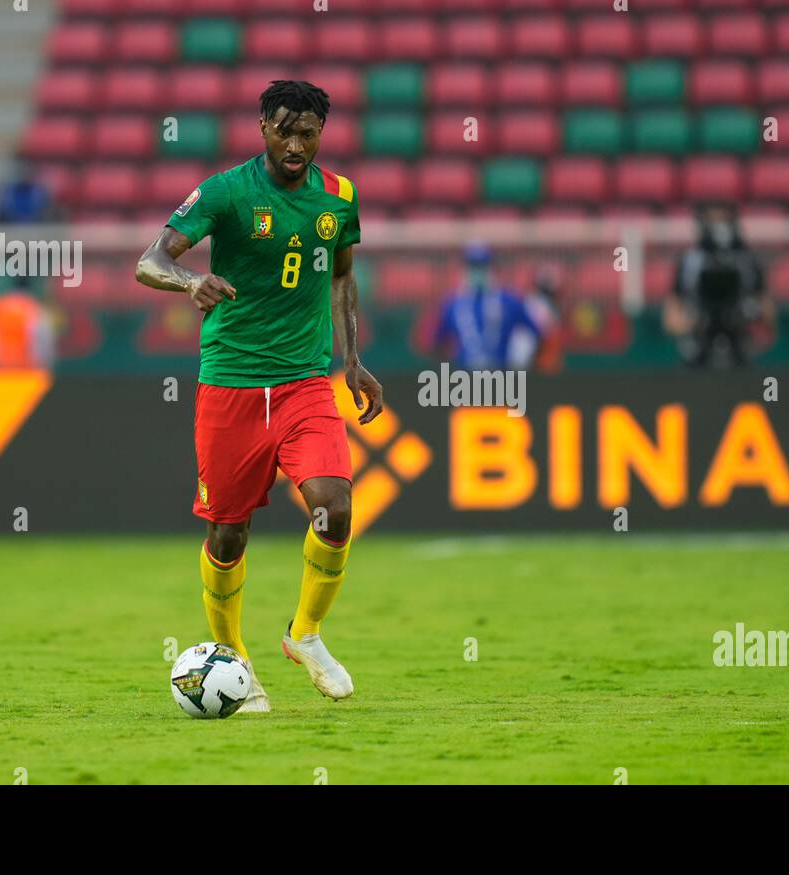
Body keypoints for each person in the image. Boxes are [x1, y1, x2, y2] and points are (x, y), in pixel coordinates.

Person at [135, 80, 383, 710]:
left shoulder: (340, 198)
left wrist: (353, 362)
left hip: (305, 382)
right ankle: (236, 664)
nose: (296, 143)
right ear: (262, 127)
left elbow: (344, 277)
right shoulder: (226, 192)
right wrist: (189, 281)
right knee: (227, 535)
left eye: (308, 132)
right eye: (284, 130)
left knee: (335, 507)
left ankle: (305, 634)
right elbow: (149, 261)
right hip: (231, 384)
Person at [666, 205, 770, 367]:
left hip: (739, 337)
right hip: (698, 336)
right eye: (712, 220)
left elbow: (765, 308)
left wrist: (750, 318)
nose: (719, 226)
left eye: (723, 220)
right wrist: (692, 323)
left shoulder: (748, 261)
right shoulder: (689, 262)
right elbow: (671, 315)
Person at [431, 243, 541, 370]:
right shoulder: (451, 303)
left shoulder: (509, 300)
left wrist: (521, 360)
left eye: (482, 266)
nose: (478, 271)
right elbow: (437, 342)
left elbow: (535, 333)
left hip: (503, 377)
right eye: (473, 266)